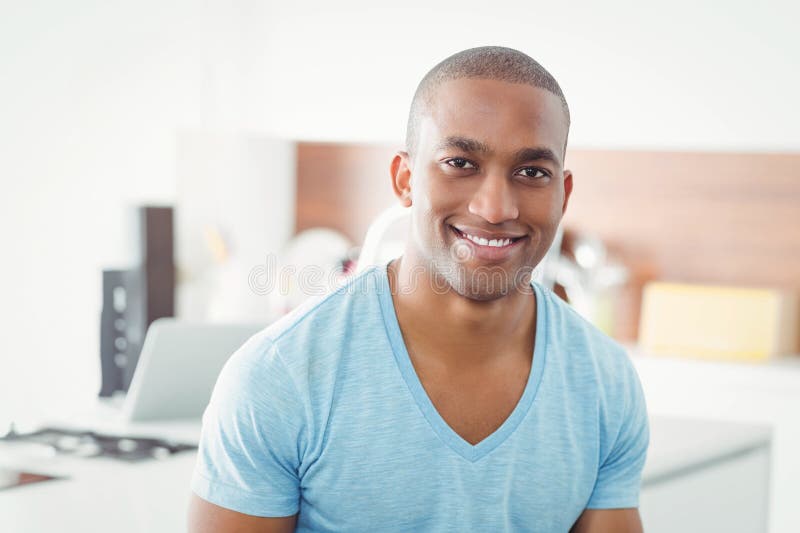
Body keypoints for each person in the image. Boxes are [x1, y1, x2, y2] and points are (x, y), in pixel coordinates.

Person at [188, 46, 649, 533]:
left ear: (563, 192)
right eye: (460, 163)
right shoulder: (278, 378)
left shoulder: (605, 381)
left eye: (532, 172)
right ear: (405, 179)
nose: (495, 208)